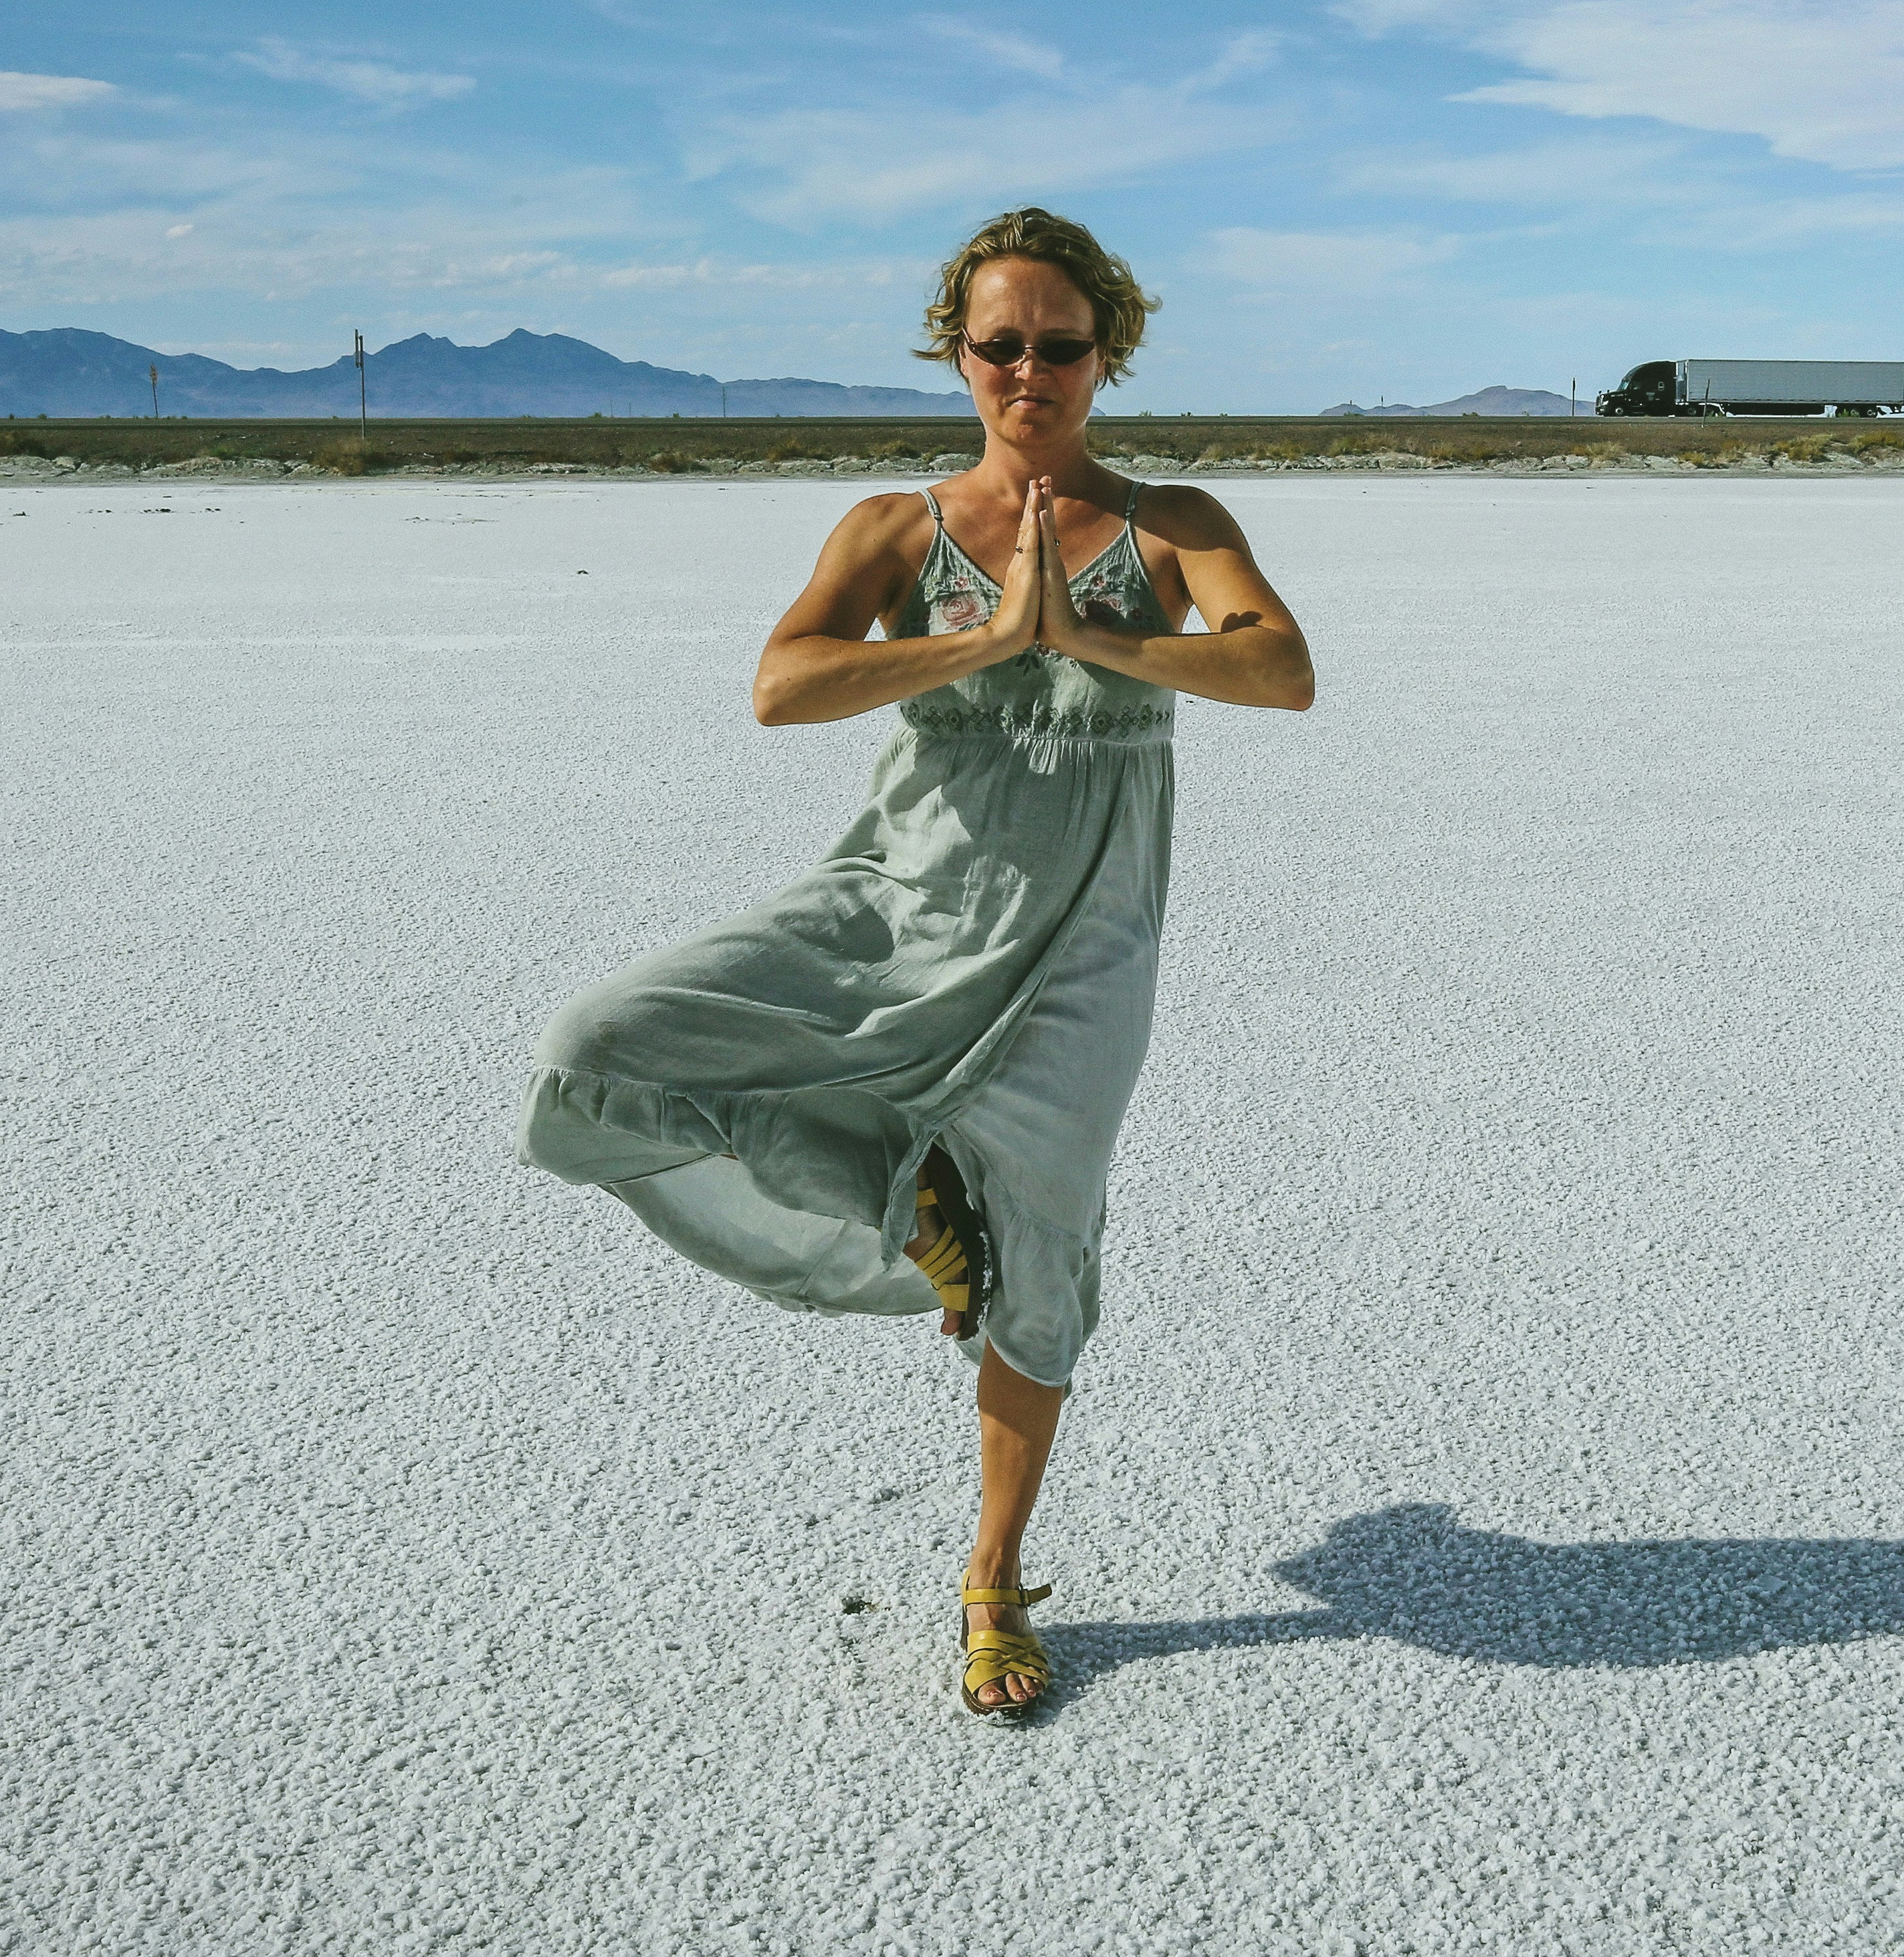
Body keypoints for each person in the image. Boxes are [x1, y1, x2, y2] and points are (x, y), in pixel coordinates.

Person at [517, 207, 1314, 1718]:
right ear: (956, 353)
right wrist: (985, 637)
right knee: (606, 1044)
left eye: (1059, 345)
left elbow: (1279, 670)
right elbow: (783, 684)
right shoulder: (894, 528)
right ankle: (917, 1208)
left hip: (1084, 944)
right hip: (894, 906)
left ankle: (993, 1580)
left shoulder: (1173, 522)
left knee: (1049, 1248)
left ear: (1107, 354)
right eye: (999, 344)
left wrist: (1088, 636)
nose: (1029, 371)